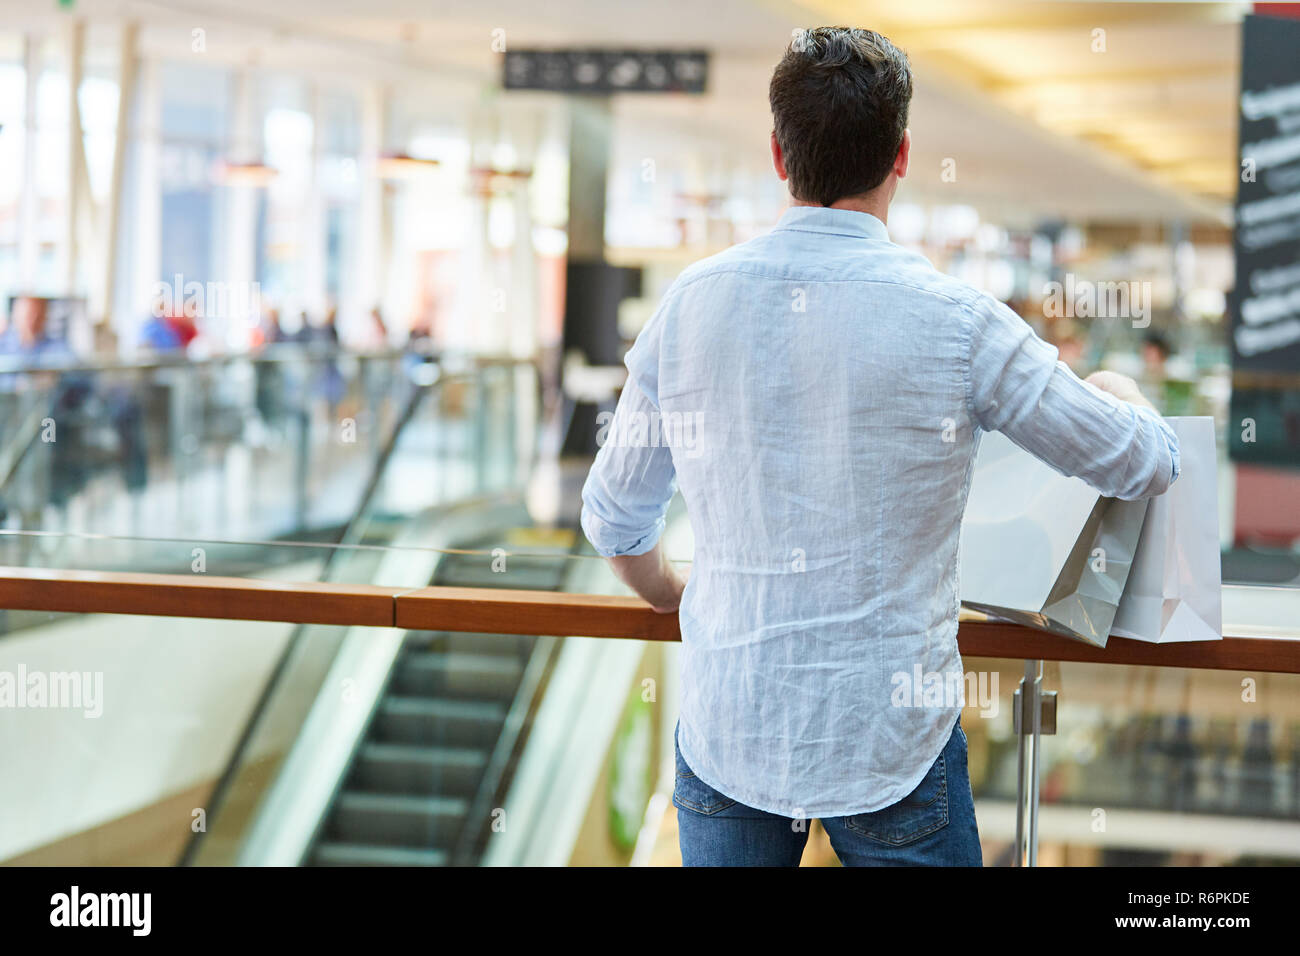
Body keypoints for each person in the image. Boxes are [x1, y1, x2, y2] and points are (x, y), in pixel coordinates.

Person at [579, 27, 1180, 867]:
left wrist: (669, 592)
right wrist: (1122, 395)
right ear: (901, 155)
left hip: (730, 728)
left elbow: (614, 518)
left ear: (780, 160)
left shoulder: (690, 307)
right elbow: (1143, 462)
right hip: (893, 743)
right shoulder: (958, 322)